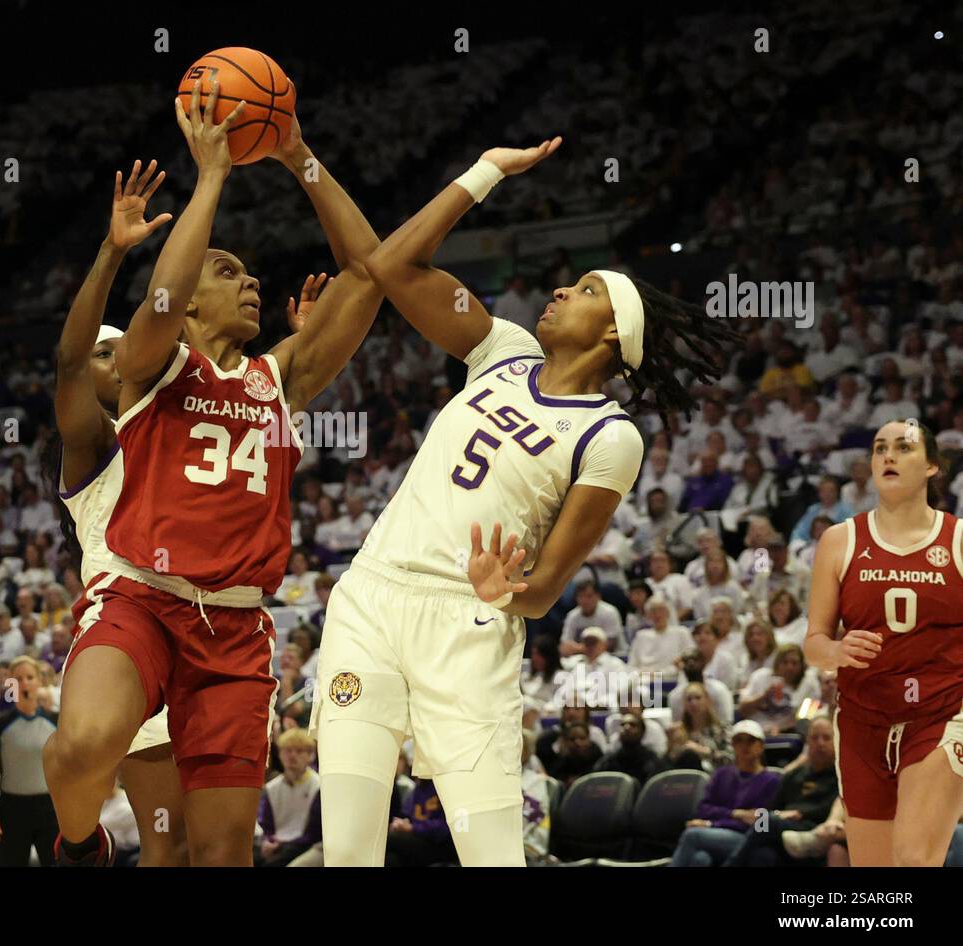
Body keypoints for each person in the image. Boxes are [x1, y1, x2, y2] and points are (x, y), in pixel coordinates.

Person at [314, 137, 740, 867]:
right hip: (372, 601)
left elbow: (541, 594)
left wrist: (503, 588)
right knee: (349, 851)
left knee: (495, 859)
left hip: (470, 626)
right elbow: (389, 267)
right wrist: (482, 173)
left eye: (585, 289)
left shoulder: (609, 437)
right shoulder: (502, 351)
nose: (561, 292)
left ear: (614, 332)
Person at [45, 80, 384, 867]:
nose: (252, 282)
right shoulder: (149, 368)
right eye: (228, 272)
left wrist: (299, 155)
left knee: (220, 856)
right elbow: (158, 297)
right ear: (190, 302)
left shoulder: (281, 379)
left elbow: (369, 275)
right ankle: (79, 842)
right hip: (139, 596)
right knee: (80, 749)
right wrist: (212, 178)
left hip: (233, 627)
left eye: (249, 274)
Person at [44, 167, 193, 866]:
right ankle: (79, 842)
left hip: (203, 628)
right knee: (82, 758)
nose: (114, 360)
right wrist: (112, 252)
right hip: (127, 635)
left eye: (120, 349)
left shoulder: (183, 422)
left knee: (178, 845)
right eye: (108, 354)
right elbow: (70, 364)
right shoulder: (95, 442)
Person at [804, 420, 963, 866]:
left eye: (903, 447)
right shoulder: (839, 540)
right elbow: (813, 643)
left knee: (913, 859)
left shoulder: (959, 538)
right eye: (879, 448)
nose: (888, 456)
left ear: (932, 465)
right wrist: (836, 651)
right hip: (861, 722)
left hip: (941, 713)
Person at [724, 717, 839, 866]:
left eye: (826, 738)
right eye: (815, 738)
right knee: (763, 854)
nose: (820, 743)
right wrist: (779, 815)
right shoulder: (794, 775)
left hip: (815, 829)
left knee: (767, 821)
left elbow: (832, 808)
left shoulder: (840, 778)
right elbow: (773, 806)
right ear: (807, 743)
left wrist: (799, 814)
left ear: (836, 742)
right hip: (782, 827)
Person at [669, 720, 782, 866]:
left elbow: (760, 825)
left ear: (761, 746)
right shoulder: (722, 774)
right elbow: (703, 809)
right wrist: (735, 814)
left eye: (751, 740)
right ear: (733, 745)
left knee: (692, 835)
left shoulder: (771, 781)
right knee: (701, 859)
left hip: (747, 839)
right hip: (715, 834)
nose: (745, 745)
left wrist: (712, 824)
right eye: (739, 740)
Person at [0, 657, 60, 867]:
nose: (24, 683)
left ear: (39, 682)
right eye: (18, 679)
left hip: (51, 808)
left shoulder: (57, 722)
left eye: (29, 677)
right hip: (11, 809)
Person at [255, 728, 320, 867]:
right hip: (276, 843)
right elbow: (265, 824)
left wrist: (281, 844)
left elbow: (314, 833)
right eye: (287, 750)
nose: (292, 756)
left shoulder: (318, 786)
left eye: (299, 751)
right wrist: (268, 840)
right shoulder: (272, 788)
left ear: (310, 755)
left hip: (305, 845)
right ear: (280, 754)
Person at [594, 713, 662, 785]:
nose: (626, 728)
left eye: (632, 725)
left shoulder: (651, 760)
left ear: (642, 732)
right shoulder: (609, 761)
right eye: (622, 725)